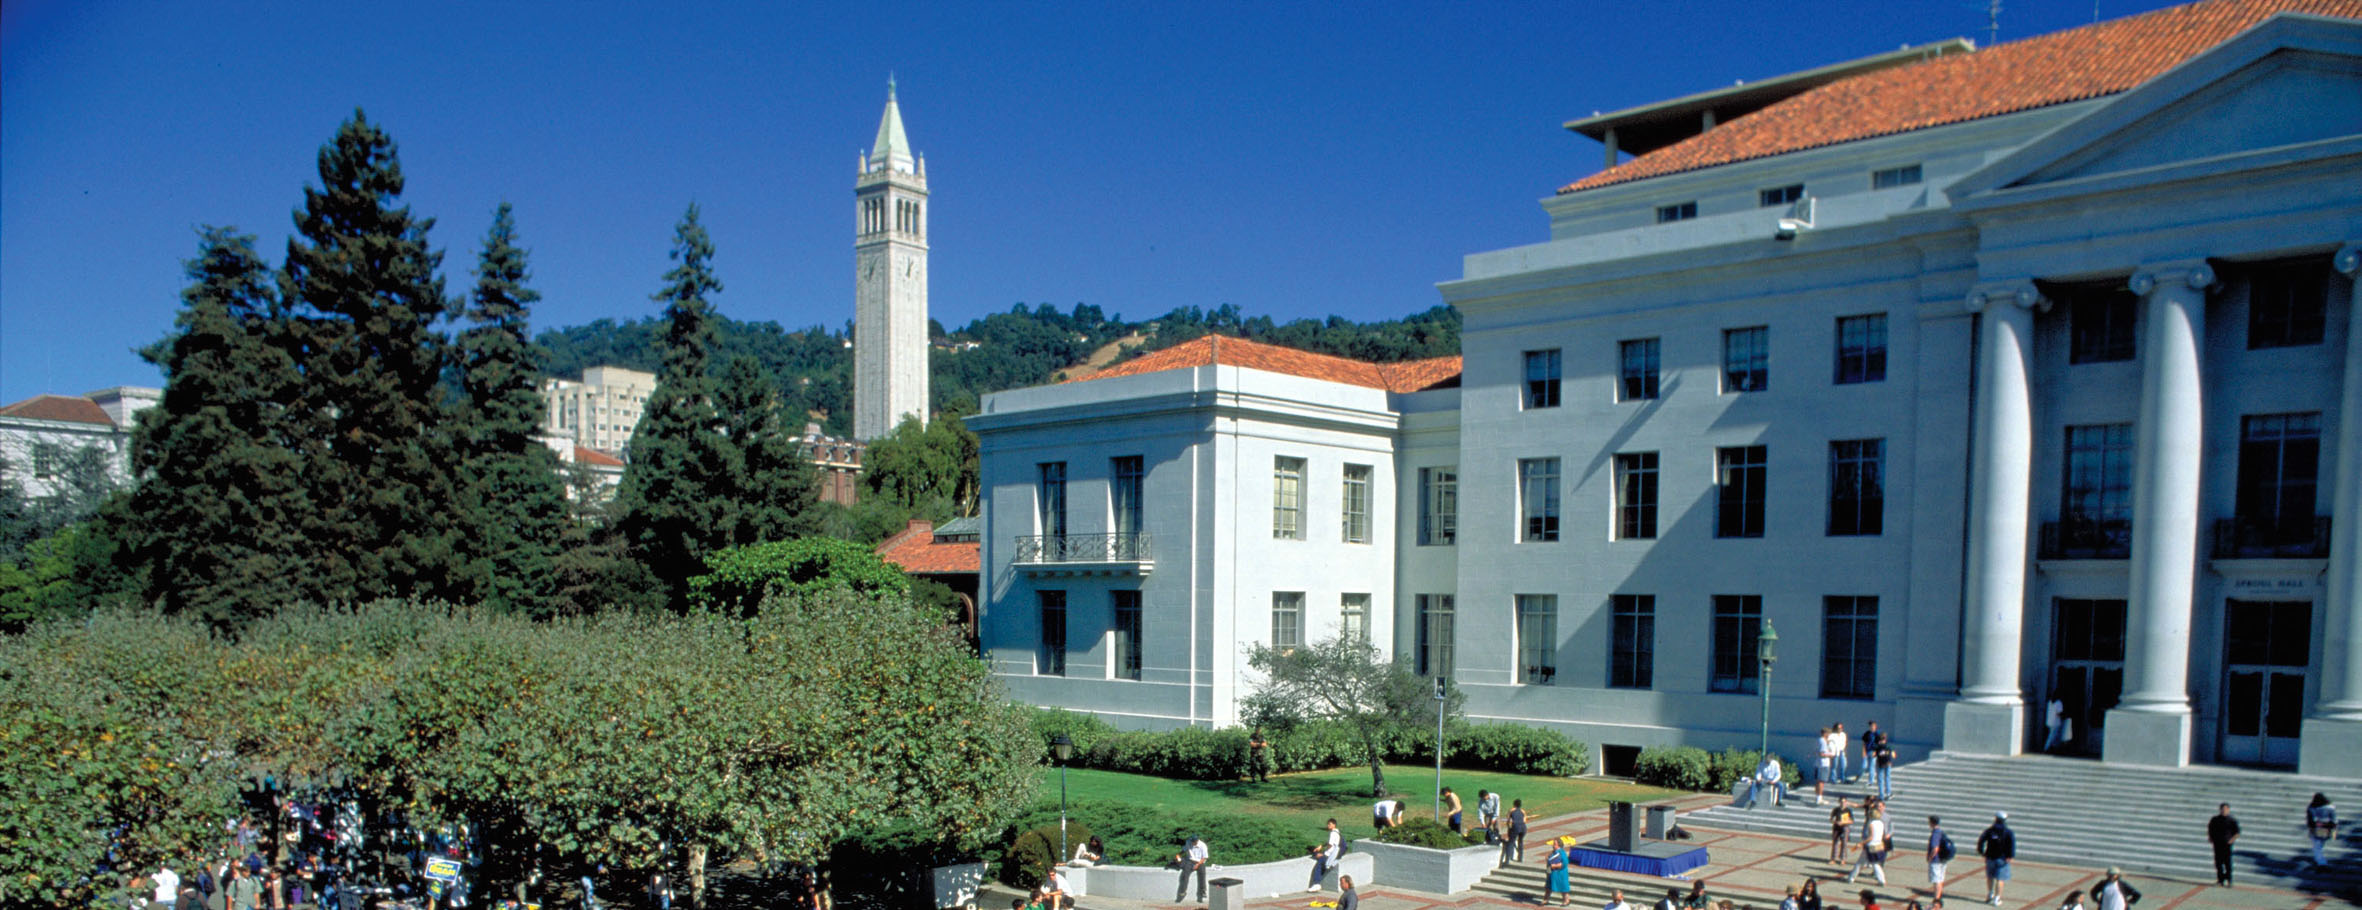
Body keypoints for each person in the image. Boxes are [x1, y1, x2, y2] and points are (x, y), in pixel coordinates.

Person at [1977, 812, 2015, 907]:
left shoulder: (1990, 830)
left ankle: (1990, 893)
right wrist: (2010, 856)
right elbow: (2012, 845)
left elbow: (1981, 841)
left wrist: (1982, 852)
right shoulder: (2008, 832)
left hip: (1990, 856)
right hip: (2002, 858)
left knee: (1990, 876)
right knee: (2000, 878)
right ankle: (1997, 898)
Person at [1848, 807, 1889, 886]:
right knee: (1874, 863)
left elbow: (1870, 837)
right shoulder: (1881, 823)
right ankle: (1882, 880)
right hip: (1878, 844)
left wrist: (1861, 843)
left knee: (1861, 863)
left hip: (1870, 846)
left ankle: (1851, 877)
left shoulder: (1871, 824)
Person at [2205, 803, 2239, 886]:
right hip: (2217, 843)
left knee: (2227, 863)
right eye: (2222, 809)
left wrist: (2231, 840)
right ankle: (2220, 880)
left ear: (2228, 810)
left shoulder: (2232, 820)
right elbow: (2210, 829)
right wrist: (2210, 837)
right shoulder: (2215, 819)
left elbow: (2237, 832)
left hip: (2227, 844)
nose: (2224, 811)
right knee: (2218, 863)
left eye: (2226, 809)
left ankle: (2229, 880)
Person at [1926, 816, 1955, 902]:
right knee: (1941, 879)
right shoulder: (1941, 832)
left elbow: (1935, 848)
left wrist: (1930, 858)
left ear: (1932, 823)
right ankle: (1939, 895)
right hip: (1943, 859)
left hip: (1936, 860)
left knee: (1936, 880)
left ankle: (1936, 898)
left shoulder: (1935, 833)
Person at [1308, 819, 1341, 892]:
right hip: (1333, 855)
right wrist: (1322, 846)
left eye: (1329, 824)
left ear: (1334, 825)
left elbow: (1330, 844)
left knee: (1317, 867)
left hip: (1328, 855)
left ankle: (1316, 884)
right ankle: (1317, 883)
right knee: (1321, 865)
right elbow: (1330, 842)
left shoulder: (1333, 833)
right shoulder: (1337, 833)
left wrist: (1323, 853)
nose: (1328, 825)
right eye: (1328, 824)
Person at [1173, 835, 1208, 903]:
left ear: (1196, 841)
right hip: (1190, 861)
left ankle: (1202, 892)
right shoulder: (1188, 842)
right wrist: (1179, 854)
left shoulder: (1203, 846)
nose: (1191, 843)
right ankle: (1182, 891)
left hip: (1200, 862)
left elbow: (1204, 857)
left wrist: (1198, 865)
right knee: (1185, 875)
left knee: (1202, 875)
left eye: (1193, 842)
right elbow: (1184, 849)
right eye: (1191, 841)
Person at [2306, 792, 2337, 868]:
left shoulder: (2312, 808)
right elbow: (2334, 821)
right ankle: (2321, 861)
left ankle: (2321, 863)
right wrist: (2334, 832)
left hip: (2316, 829)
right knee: (2321, 845)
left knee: (2317, 846)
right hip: (2327, 829)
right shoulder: (2331, 807)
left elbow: (2310, 821)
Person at [1543, 838, 1572, 906]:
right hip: (1552, 873)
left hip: (1560, 873)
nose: (1553, 845)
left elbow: (1565, 863)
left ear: (1559, 845)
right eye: (1553, 844)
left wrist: (1555, 865)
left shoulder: (1562, 852)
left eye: (1554, 844)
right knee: (1548, 887)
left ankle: (1566, 900)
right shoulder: (1553, 852)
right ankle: (1545, 899)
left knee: (1563, 887)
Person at [1830, 798, 1855, 864]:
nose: (1843, 803)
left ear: (1846, 802)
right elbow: (1831, 819)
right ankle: (1833, 858)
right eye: (1841, 802)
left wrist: (1844, 822)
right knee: (1835, 843)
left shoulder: (1848, 810)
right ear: (1839, 802)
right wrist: (1835, 822)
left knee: (1844, 843)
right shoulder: (1836, 809)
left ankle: (1843, 859)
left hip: (1845, 827)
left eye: (1844, 802)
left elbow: (1852, 821)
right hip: (1836, 827)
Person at [1815, 727, 1837, 806]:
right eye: (1828, 733)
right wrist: (1831, 754)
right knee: (1821, 781)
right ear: (1825, 733)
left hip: (1818, 763)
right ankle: (1819, 798)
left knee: (1818, 781)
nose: (1829, 735)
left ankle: (1818, 797)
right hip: (1823, 764)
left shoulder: (1819, 740)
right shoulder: (1823, 742)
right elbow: (1822, 754)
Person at [1506, 799, 1529, 866]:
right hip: (1523, 828)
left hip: (1515, 827)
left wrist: (1509, 827)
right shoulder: (1523, 811)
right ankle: (1520, 858)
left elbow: (1508, 820)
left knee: (1511, 842)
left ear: (1514, 804)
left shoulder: (1511, 810)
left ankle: (1509, 857)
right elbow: (1525, 821)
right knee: (1520, 842)